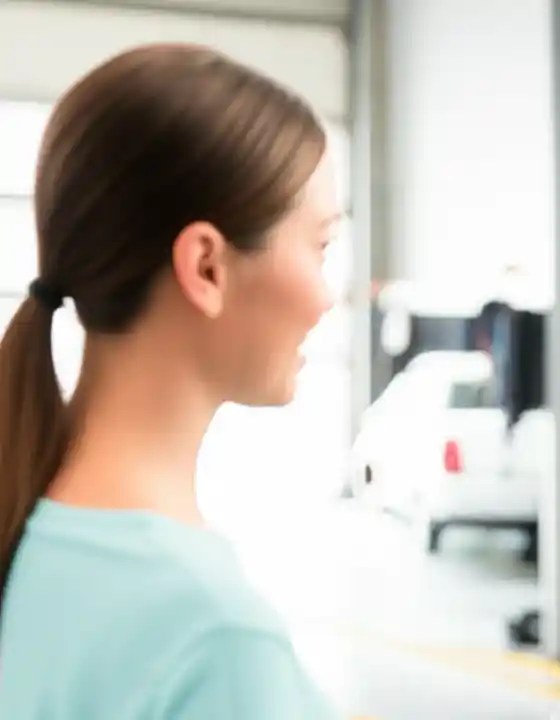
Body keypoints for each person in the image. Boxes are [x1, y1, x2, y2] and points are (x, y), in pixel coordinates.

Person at [0, 44, 343, 719]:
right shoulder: (215, 637)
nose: (328, 297)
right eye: (320, 246)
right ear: (206, 267)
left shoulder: (30, 529)